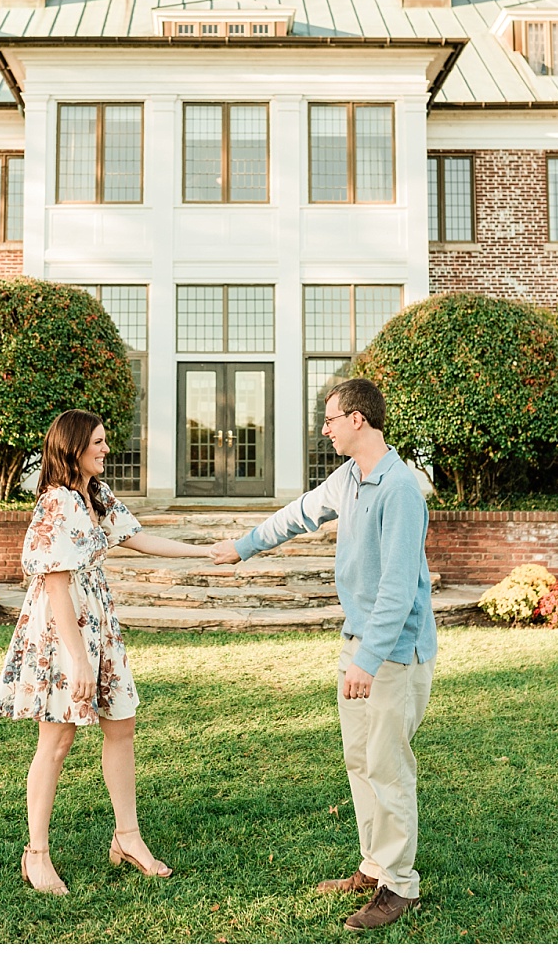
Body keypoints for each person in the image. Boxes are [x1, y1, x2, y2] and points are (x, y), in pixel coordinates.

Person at [211, 377, 435, 933]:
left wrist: (369, 659)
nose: (325, 428)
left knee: (387, 765)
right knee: (360, 761)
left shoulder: (400, 489)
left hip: (391, 652)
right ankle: (374, 864)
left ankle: (400, 885)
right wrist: (242, 548)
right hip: (357, 644)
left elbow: (399, 588)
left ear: (358, 419)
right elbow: (298, 514)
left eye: (331, 419)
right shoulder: (350, 477)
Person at [0, 409, 210, 894]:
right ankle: (36, 855)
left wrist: (205, 552)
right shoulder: (55, 503)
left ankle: (127, 837)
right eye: (99, 442)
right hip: (62, 629)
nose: (107, 449)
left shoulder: (94, 493)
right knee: (58, 740)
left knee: (121, 725)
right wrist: (79, 660)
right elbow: (55, 585)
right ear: (74, 447)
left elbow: (136, 537)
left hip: (98, 620)